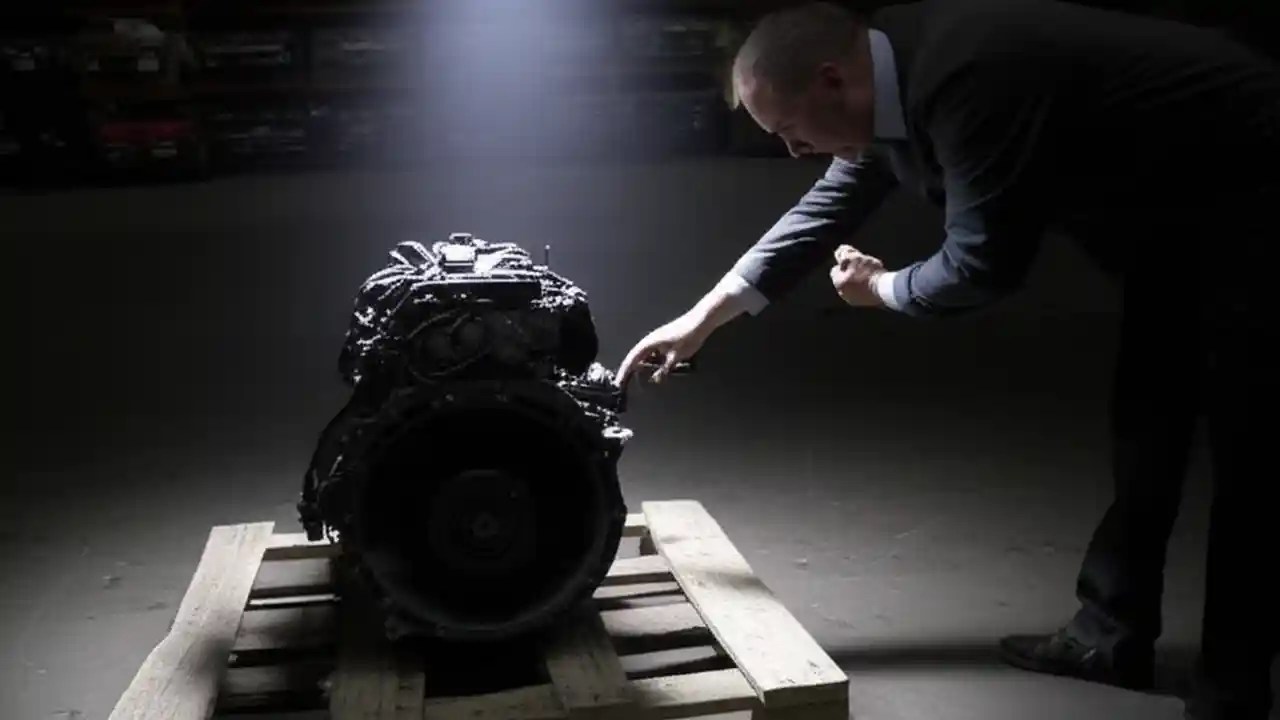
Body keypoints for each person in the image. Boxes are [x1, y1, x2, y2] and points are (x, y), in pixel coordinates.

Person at [614, 1, 1279, 718]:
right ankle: (1110, 636)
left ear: (832, 81)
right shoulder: (889, 68)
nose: (792, 151)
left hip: (1261, 205)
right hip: (1176, 226)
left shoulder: (970, 78)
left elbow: (981, 266)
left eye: (789, 130)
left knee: (1256, 459)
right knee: (1147, 424)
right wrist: (700, 321)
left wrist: (881, 289)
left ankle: (1232, 686)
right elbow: (828, 205)